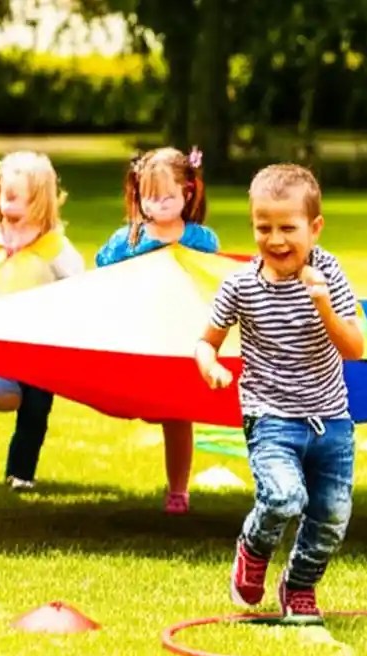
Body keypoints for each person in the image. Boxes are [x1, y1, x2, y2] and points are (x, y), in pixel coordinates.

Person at [195, 163, 363, 623]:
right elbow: (206, 341)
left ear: (315, 228)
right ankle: (253, 548)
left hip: (331, 419)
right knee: (284, 497)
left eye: (288, 228)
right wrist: (209, 364)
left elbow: (354, 348)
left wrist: (321, 301)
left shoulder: (329, 271)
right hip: (270, 416)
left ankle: (300, 584)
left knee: (330, 518)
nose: (276, 240)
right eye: (263, 228)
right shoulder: (241, 285)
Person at [0, 151, 84, 492]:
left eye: (15, 196)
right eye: (4, 193)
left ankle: (20, 473)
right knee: (6, 395)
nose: (6, 202)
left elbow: (78, 283)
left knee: (36, 413)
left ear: (39, 202)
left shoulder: (54, 247)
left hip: (42, 346)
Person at [95, 147, 218, 513]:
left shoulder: (200, 239)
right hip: (136, 336)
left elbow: (214, 280)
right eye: (150, 197)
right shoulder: (127, 240)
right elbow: (99, 277)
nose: (159, 205)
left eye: (168, 197)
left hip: (180, 340)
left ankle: (178, 490)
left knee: (178, 416)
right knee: (141, 405)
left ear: (188, 193)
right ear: (138, 195)